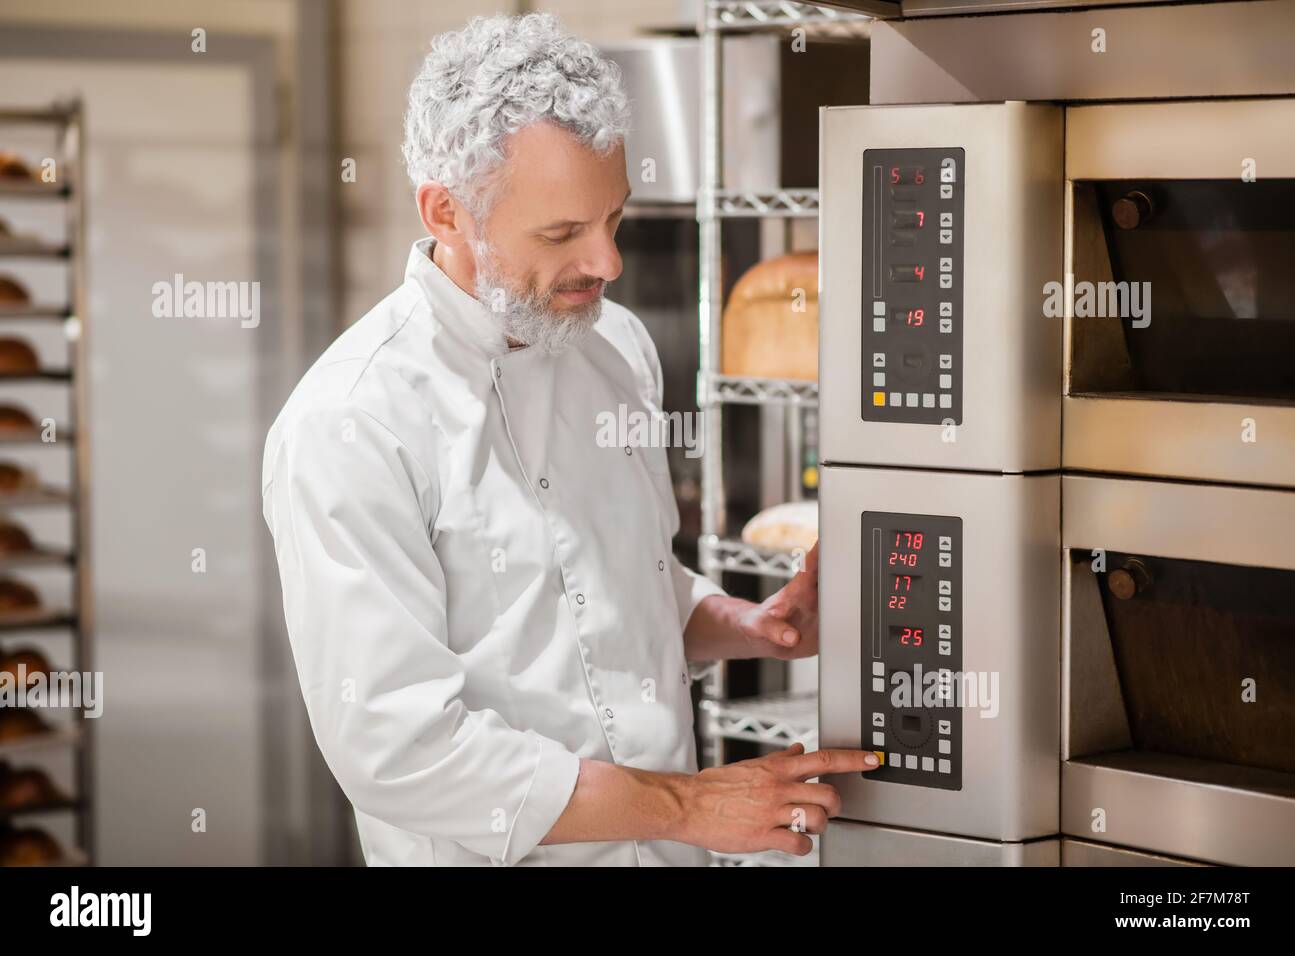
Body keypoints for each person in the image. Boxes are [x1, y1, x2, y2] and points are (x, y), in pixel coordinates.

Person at [261, 12, 878, 867]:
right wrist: (687, 805)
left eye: (613, 219)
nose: (608, 262)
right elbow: (398, 750)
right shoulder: (354, 422)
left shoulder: (615, 346)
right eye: (561, 235)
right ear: (447, 212)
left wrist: (746, 623)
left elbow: (619, 590)